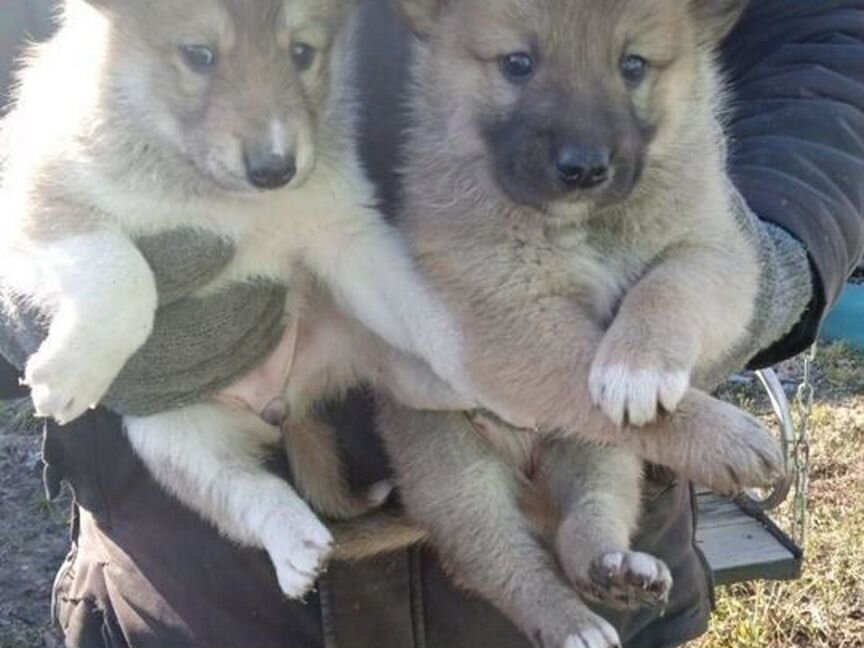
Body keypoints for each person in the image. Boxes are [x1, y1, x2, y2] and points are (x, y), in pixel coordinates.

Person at [1, 1, 862, 647]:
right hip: (196, 589)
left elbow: (829, 33)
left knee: (580, 477)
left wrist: (774, 249)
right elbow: (38, 117)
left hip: (594, 536)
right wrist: (53, 304)